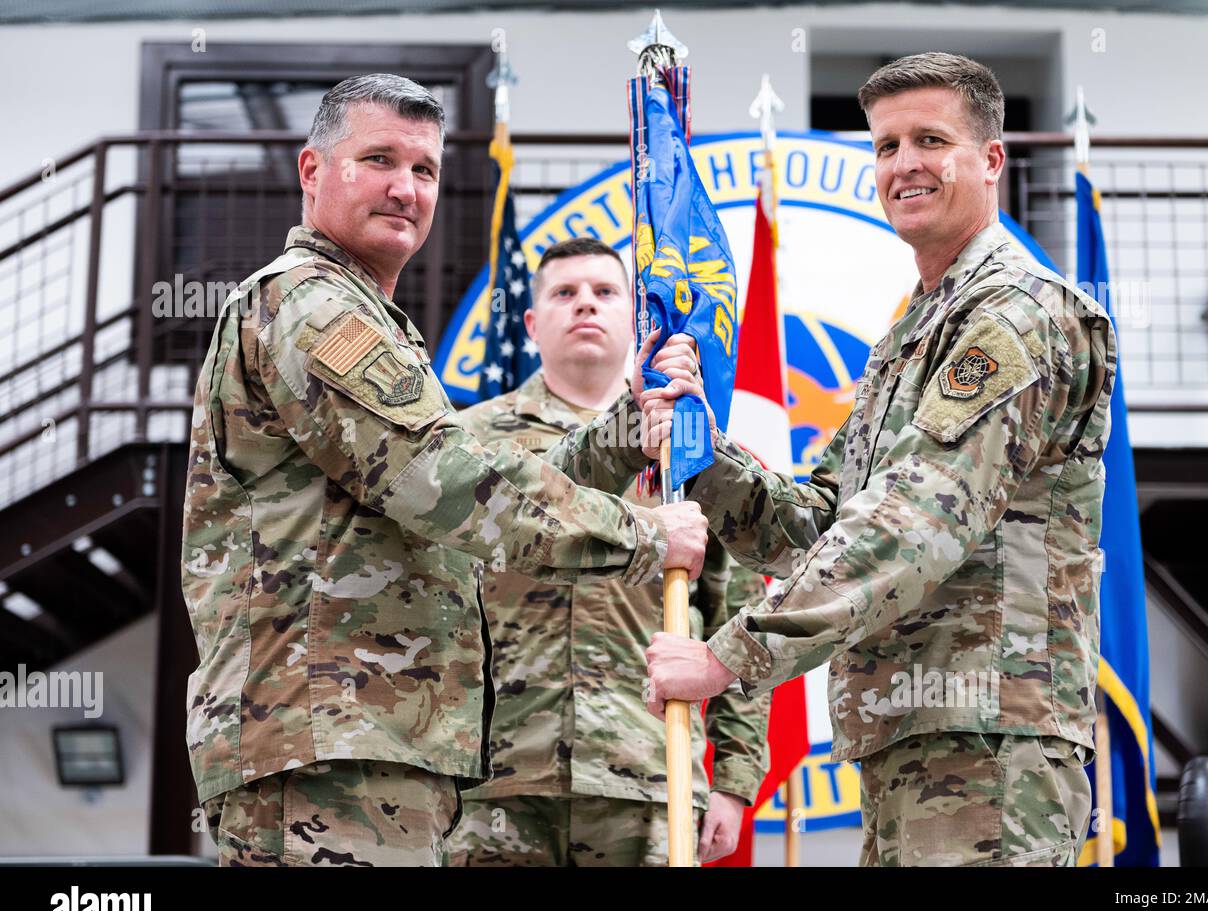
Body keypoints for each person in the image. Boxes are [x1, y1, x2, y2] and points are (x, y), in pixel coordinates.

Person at [182, 73, 707, 866]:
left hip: (373, 739)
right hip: (326, 743)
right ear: (312, 171)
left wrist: (622, 433)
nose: (405, 188)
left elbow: (448, 488)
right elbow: (439, 479)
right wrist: (640, 532)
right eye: (379, 160)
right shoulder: (310, 305)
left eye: (424, 170)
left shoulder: (363, 314)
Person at [641, 52, 1116, 867]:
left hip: (990, 747)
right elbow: (820, 523)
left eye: (930, 140)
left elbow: (918, 520)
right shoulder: (909, 339)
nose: (904, 165)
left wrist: (729, 657)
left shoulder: (1018, 315)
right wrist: (701, 453)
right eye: (887, 147)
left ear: (991, 159)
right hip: (914, 737)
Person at [445, 238, 771, 866]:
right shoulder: (470, 442)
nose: (585, 306)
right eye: (564, 294)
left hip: (650, 772)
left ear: (631, 318)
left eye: (604, 293)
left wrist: (733, 781)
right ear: (534, 324)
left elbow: (739, 617)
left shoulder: (690, 448)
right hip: (495, 779)